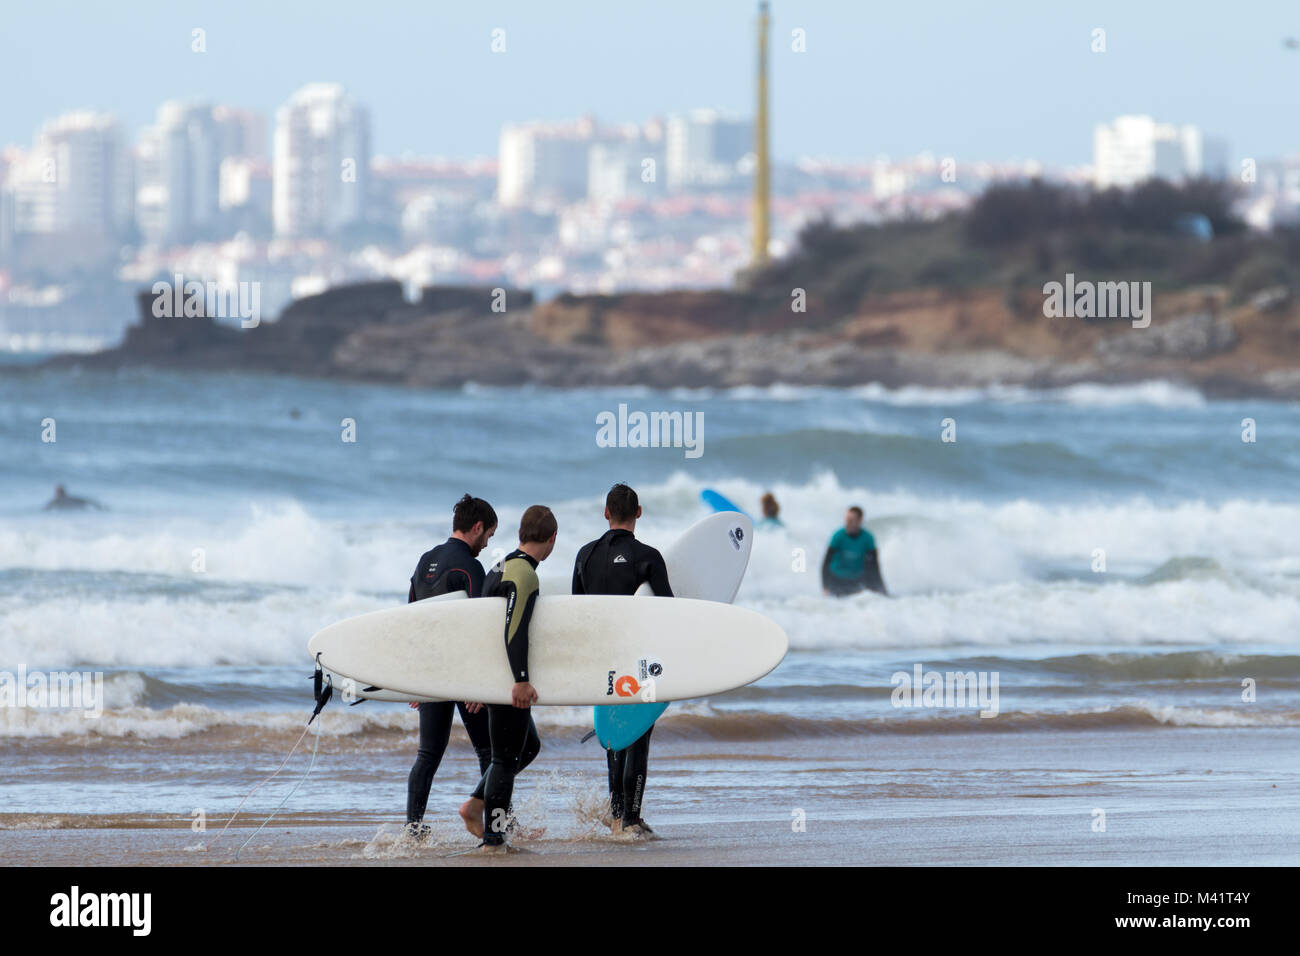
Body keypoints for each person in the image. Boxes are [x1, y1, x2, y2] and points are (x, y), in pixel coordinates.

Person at [572, 483, 673, 835]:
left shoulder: (584, 555)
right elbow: (667, 610)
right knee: (639, 734)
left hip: (603, 657)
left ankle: (617, 815)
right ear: (639, 513)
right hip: (639, 657)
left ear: (605, 513)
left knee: (614, 732)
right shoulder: (649, 557)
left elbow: (577, 610)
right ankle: (631, 819)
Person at [404, 493, 499, 840]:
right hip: (462, 674)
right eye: (488, 535)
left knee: (427, 753)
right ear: (477, 527)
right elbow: (481, 629)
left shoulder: (425, 560)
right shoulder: (469, 567)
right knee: (491, 752)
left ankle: (412, 828)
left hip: (431, 674)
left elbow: (411, 620)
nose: (488, 544)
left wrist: (414, 680)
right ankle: (498, 825)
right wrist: (480, 684)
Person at [472, 505, 555, 852]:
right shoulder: (524, 574)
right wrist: (521, 679)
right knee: (506, 759)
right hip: (509, 680)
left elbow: (479, 628)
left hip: (492, 677)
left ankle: (476, 803)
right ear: (551, 540)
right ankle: (493, 838)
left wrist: (474, 679)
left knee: (527, 746)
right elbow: (514, 628)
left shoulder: (498, 567)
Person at [821, 505, 887, 596]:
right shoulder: (838, 536)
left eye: (851, 521)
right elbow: (826, 563)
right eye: (847, 520)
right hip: (836, 579)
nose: (848, 523)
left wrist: (882, 590)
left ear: (860, 521)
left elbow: (874, 566)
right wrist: (825, 587)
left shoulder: (868, 538)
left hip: (856, 579)